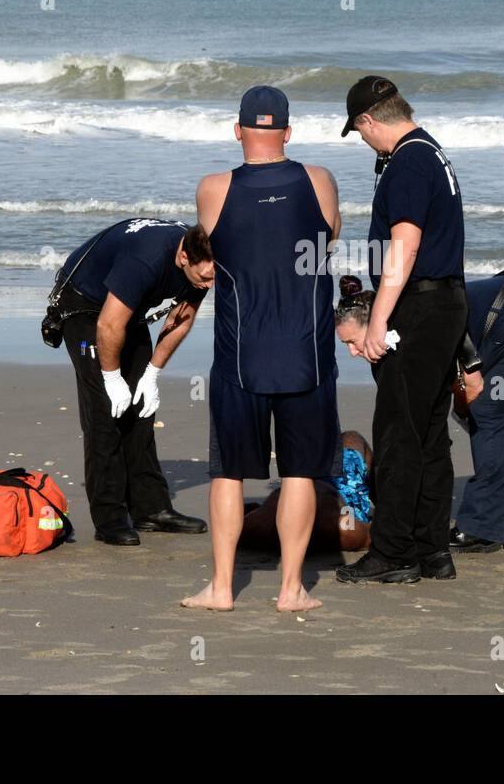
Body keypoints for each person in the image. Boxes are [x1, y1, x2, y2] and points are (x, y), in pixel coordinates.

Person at [184, 85, 342, 613]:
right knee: (298, 471)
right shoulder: (319, 180)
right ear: (288, 133)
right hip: (307, 352)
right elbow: (331, 236)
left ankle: (223, 588)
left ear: (238, 131)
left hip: (240, 354)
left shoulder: (212, 187)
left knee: (227, 471)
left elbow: (206, 254)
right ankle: (291, 589)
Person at [335, 76, 471, 584]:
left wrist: (380, 320)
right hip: (445, 303)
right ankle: (432, 548)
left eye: (360, 132)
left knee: (396, 432)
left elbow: (405, 246)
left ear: (369, 121)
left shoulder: (409, 159)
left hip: (419, 307)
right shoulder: (431, 151)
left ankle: (393, 552)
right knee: (430, 431)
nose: (364, 142)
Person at [335, 272, 504, 553]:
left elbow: (443, 401)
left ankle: (482, 526)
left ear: (375, 322)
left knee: (490, 411)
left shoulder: (411, 326)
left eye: (353, 342)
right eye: (345, 345)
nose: (351, 353)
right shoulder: (394, 332)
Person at [55, 218, 214, 545]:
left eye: (215, 277)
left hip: (128, 307)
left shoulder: (206, 260)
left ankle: (150, 509)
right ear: (184, 258)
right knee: (104, 411)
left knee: (140, 408)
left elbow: (181, 317)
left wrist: (152, 372)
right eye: (204, 277)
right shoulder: (146, 258)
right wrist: (113, 379)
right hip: (85, 309)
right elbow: (108, 326)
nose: (209, 284)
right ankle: (110, 517)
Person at [239, 430, 374, 554]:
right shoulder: (346, 529)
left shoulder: (262, 524)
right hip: (344, 491)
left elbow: (231, 528)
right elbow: (379, 535)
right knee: (351, 439)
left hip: (302, 480)